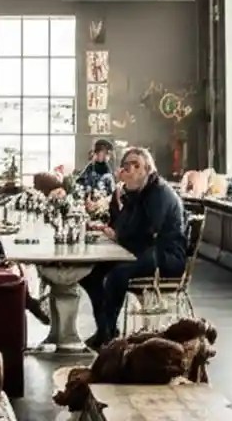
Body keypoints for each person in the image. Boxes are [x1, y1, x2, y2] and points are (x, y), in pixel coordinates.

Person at [79, 147, 186, 351]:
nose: (131, 170)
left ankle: (108, 336)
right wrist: (121, 196)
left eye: (137, 165)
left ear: (148, 169)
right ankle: (106, 330)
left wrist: (119, 234)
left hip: (166, 255)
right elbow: (122, 225)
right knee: (90, 274)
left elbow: (146, 231)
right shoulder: (137, 192)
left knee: (118, 274)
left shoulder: (159, 192)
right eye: (127, 165)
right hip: (142, 251)